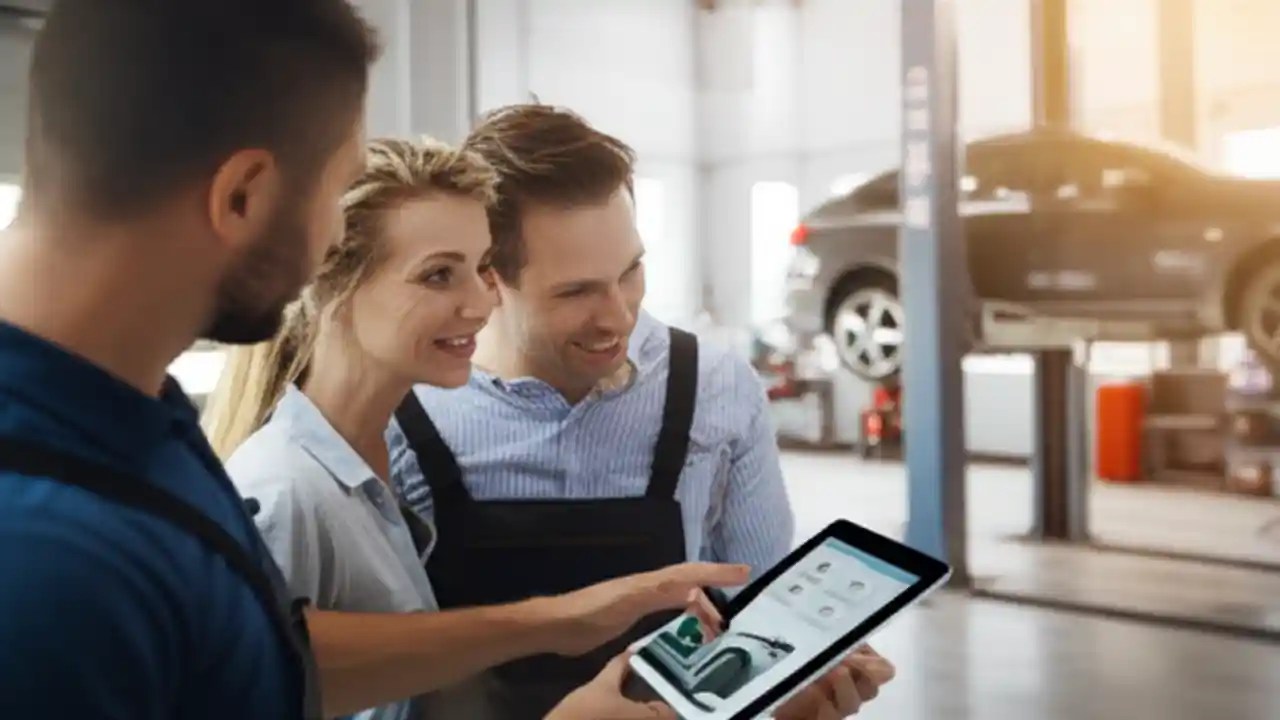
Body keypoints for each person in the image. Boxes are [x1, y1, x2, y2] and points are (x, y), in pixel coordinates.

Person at [0, 4, 739, 719]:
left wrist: (552, 620)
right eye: (338, 187)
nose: (332, 237)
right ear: (245, 196)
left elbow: (262, 657)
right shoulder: (55, 556)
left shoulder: (126, 426)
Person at [387, 104, 897, 717]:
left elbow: (755, 631)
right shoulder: (406, 410)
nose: (620, 315)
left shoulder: (716, 388)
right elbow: (370, 678)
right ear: (488, 278)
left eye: (630, 272)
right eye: (577, 291)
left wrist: (796, 699)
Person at [204, 136, 739, 719]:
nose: (483, 304)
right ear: (329, 281)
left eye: (482, 268)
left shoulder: (368, 475)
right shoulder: (286, 497)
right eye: (438, 275)